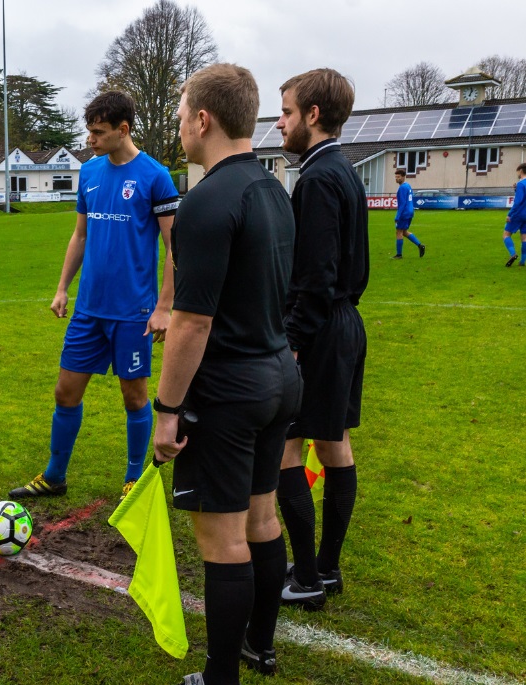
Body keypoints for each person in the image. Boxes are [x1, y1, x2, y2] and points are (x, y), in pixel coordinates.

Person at [153, 64, 301, 685]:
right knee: (261, 518)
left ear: (204, 119)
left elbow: (191, 323)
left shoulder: (207, 200)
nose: (180, 125)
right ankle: (258, 648)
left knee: (223, 540)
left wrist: (165, 412)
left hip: (230, 391)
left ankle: (220, 676)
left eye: (183, 114)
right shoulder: (273, 189)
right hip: (276, 377)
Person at [7, 90, 179, 502]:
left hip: (134, 312)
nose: (90, 138)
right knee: (65, 392)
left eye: (99, 131)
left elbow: (176, 248)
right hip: (89, 310)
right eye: (89, 130)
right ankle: (54, 476)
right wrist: (63, 287)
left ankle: (134, 480)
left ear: (124, 129)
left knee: (134, 395)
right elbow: (81, 234)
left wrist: (163, 308)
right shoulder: (91, 173)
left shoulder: (156, 176)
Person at [273, 68, 369, 611]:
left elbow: (314, 276)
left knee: (289, 447)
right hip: (343, 324)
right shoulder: (343, 169)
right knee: (333, 445)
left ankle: (308, 575)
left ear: (312, 115)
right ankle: (326, 570)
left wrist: (288, 345)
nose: (280, 123)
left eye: (286, 112)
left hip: (320, 329)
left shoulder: (317, 178)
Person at [392, 169, 424, 259]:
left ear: (403, 177)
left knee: (399, 232)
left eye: (398, 177)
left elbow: (402, 203)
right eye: (396, 177)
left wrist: (397, 216)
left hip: (404, 213)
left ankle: (399, 255)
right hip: (410, 211)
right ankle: (420, 245)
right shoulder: (408, 186)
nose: (396, 179)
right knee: (404, 232)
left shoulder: (402, 188)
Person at [503, 163, 526, 266]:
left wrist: (510, 214)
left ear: (521, 171)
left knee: (506, 234)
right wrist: (516, 189)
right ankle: (522, 261)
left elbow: (518, 201)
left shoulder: (521, 184)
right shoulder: (521, 185)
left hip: (518, 213)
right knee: (524, 238)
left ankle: (513, 254)